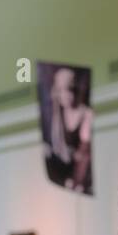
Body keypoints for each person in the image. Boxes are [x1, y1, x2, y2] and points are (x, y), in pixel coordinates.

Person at [44, 66, 93, 194]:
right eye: (62, 90)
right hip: (64, 174)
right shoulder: (58, 114)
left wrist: (75, 181)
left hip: (79, 176)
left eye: (70, 89)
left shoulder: (86, 115)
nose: (67, 95)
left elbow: (84, 154)